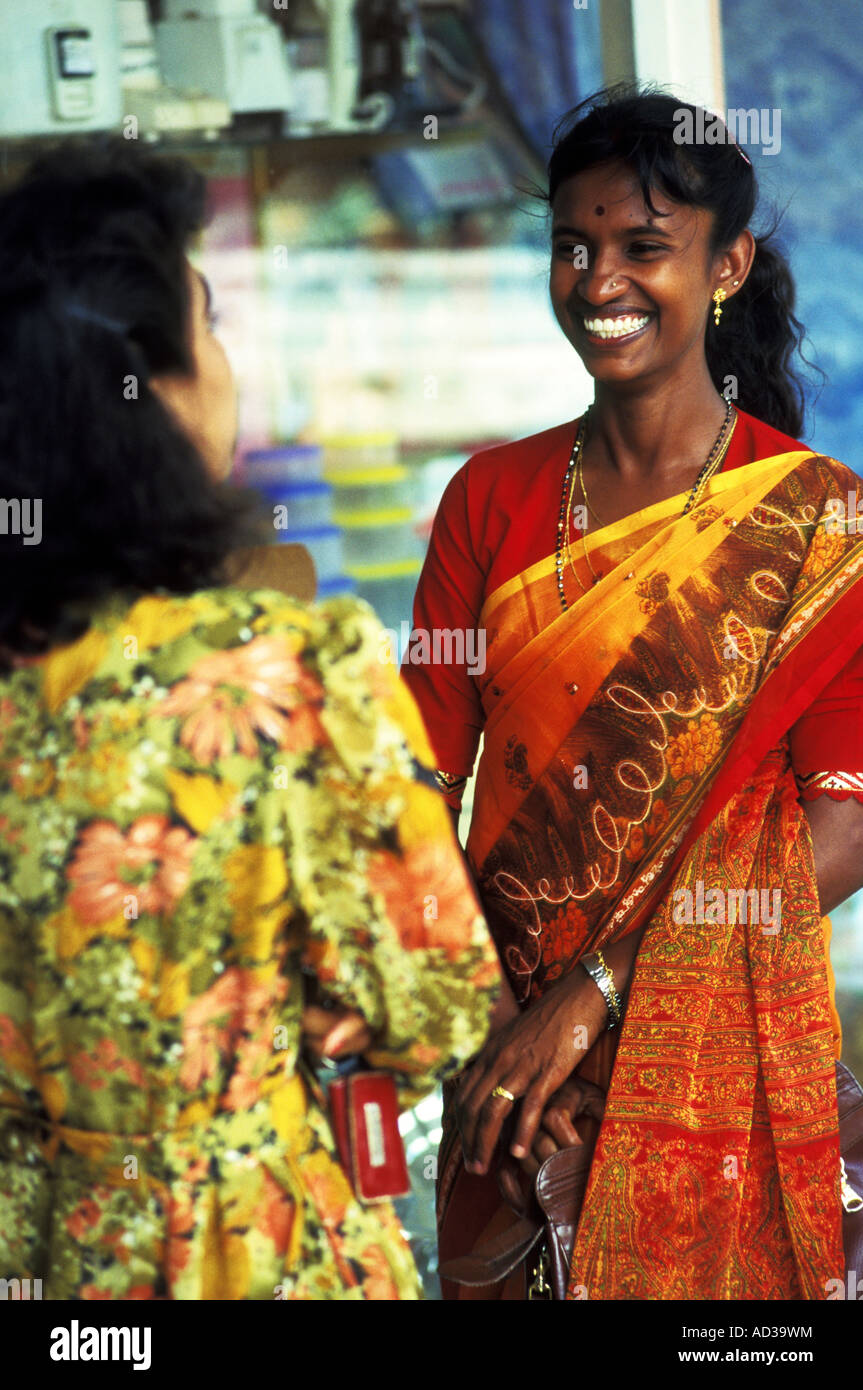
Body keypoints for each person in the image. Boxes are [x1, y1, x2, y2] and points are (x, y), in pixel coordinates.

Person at [0, 136, 501, 1300]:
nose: (227, 361)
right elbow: (431, 1004)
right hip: (249, 1239)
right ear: (151, 382)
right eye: (209, 322)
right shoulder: (290, 671)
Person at [402, 86, 863, 1300]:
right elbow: (412, 788)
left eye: (641, 247)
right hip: (505, 1074)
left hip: (710, 1037)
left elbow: (843, 815)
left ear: (726, 265)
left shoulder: (816, 520)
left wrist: (600, 994)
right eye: (572, 245)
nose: (596, 279)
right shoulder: (485, 502)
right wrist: (496, 1026)